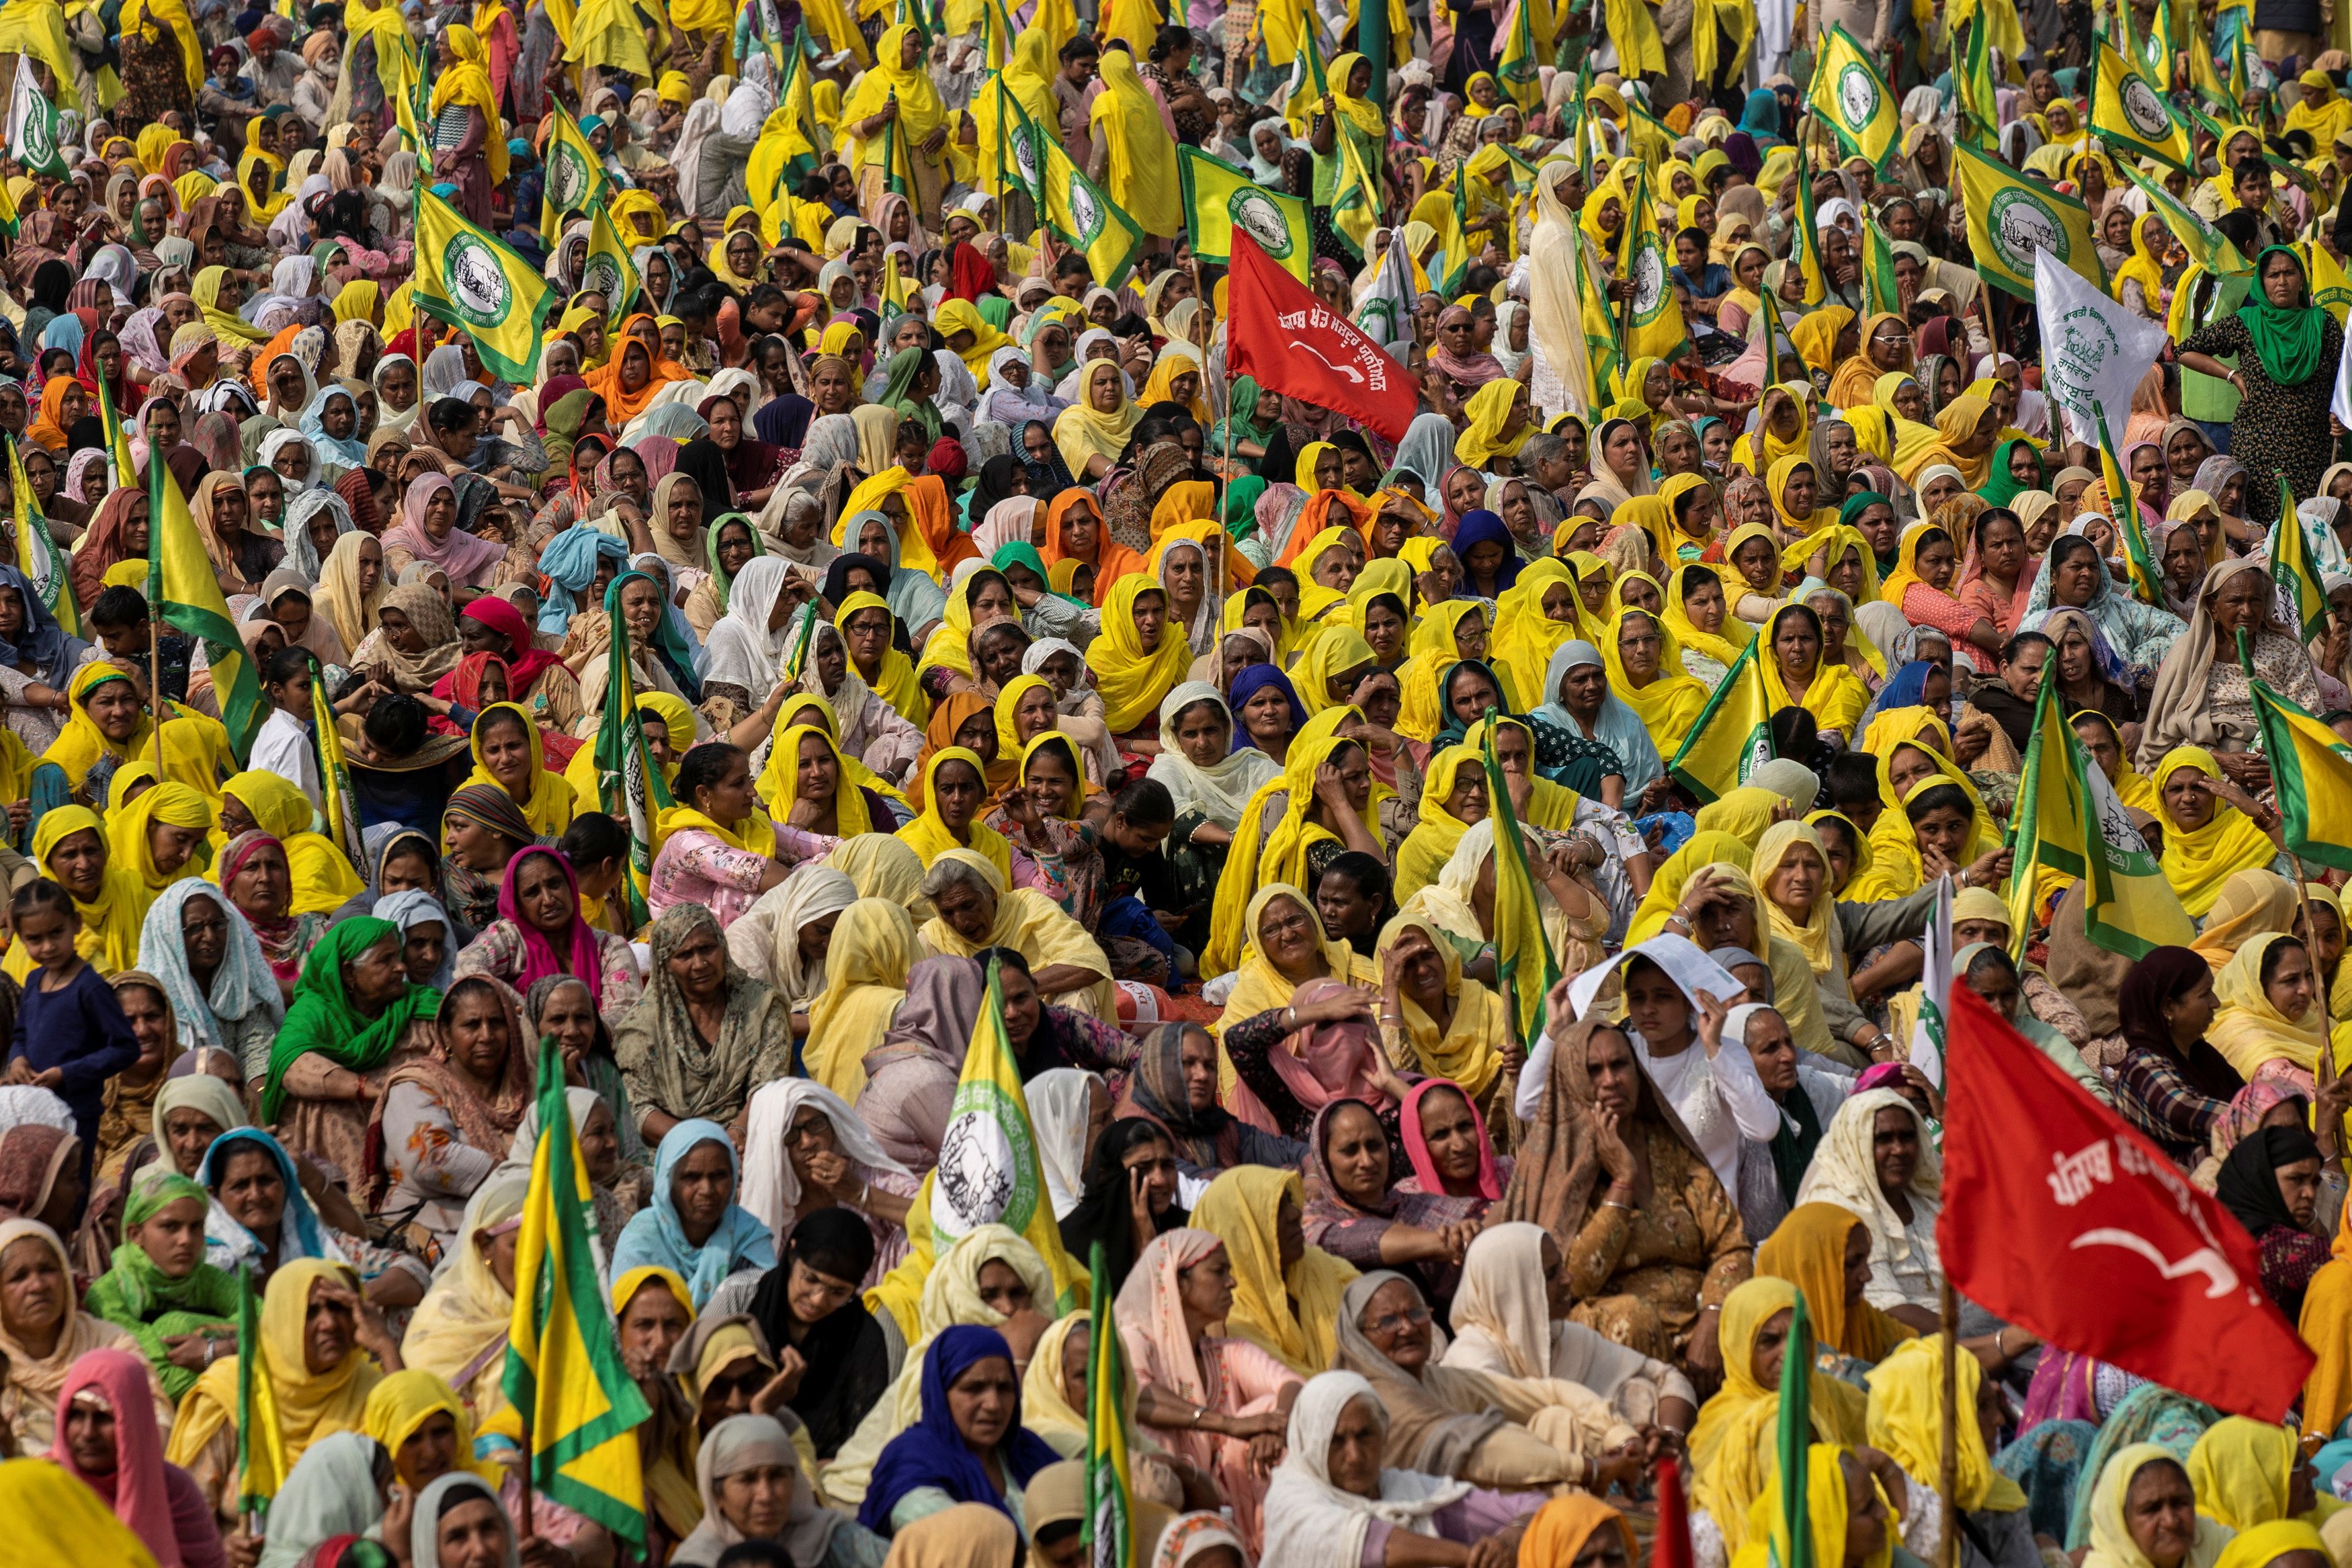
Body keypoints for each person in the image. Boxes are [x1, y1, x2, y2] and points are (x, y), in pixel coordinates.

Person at [1501, 1011, 1752, 1368]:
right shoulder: (1554, 1169)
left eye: (1620, 1065)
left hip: (1699, 1321)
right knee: (1632, 1317)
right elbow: (1573, 1282)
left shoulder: (1667, 1145)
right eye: (1593, 1070)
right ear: (1571, 1080)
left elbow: (1730, 1244)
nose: (1611, 1081)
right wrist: (1622, 1182)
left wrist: (1712, 1317)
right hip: (1611, 1335)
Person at [164, 1258, 399, 1527]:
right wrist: (224, 1552)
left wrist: (385, 1346)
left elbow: (415, 1465)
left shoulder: (372, 1388)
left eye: (339, 1308)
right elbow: (187, 1521)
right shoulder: (231, 1392)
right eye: (310, 1312)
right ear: (282, 1321)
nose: (329, 1324)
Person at [1259, 1370, 1544, 1568]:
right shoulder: (1290, 1498)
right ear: (1311, 1444)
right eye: (1336, 1441)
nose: (1355, 1456)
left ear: (1384, 1435)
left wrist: (1510, 1538)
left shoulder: (1409, 1491)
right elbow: (1370, 1544)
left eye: (1365, 1435)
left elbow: (1535, 1506)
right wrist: (1473, 1558)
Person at [44, 1344, 226, 1568]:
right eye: (77, 1416)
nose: (88, 1433)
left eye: (103, 1418)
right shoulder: (43, 1487)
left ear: (133, 1420)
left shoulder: (174, 1490)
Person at [612, 1119, 778, 1309]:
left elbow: (768, 1311)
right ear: (668, 1183)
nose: (707, 1190)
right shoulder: (641, 1239)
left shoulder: (748, 1234)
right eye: (691, 1177)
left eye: (718, 1176)